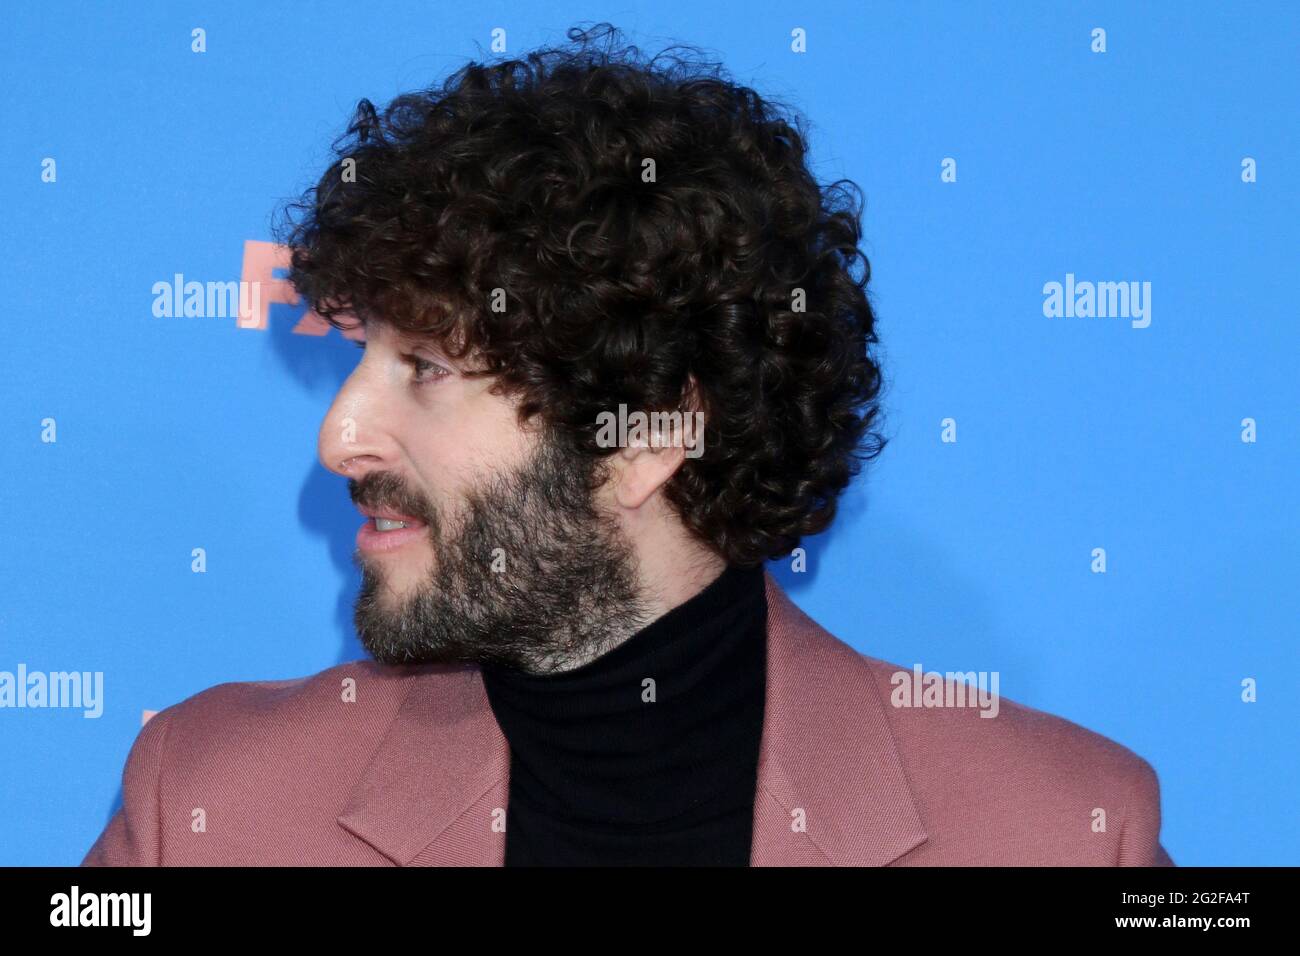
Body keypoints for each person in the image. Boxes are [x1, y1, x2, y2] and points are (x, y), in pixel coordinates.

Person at [83, 23, 1173, 867]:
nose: (340, 436)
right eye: (360, 354)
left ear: (647, 436)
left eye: (424, 366)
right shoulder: (210, 804)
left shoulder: (1065, 827)